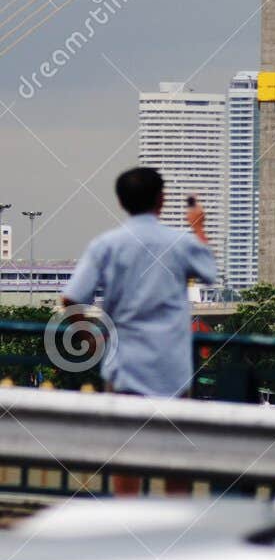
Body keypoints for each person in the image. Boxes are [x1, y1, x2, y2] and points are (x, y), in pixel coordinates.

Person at [62, 166, 217, 399]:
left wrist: (90, 339)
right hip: (172, 372)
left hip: (123, 370)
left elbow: (71, 298)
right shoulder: (181, 243)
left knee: (123, 435)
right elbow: (210, 273)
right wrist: (198, 228)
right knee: (169, 435)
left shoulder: (105, 245)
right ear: (161, 199)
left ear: (121, 202)